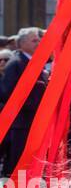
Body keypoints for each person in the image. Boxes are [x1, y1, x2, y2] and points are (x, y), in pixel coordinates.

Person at [0, 27, 47, 178]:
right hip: (21, 121)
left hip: (32, 120)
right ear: (22, 44)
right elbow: (7, 92)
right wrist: (31, 105)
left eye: (38, 39)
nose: (38, 42)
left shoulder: (30, 61)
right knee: (18, 160)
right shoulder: (16, 63)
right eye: (34, 40)